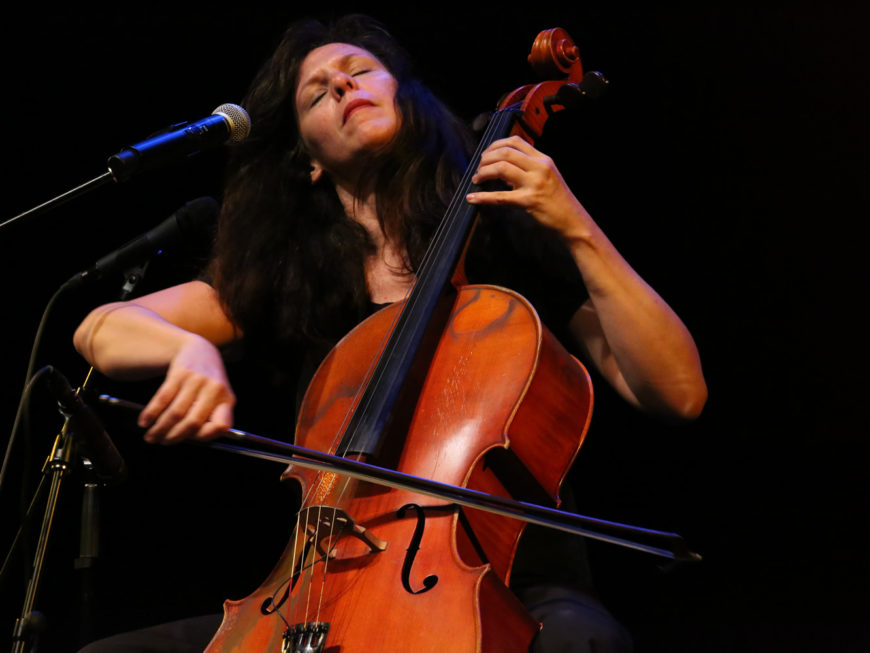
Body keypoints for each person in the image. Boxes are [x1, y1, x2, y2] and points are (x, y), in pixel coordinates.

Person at [73, 14, 706, 653]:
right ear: (308, 160)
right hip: (318, 592)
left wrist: (575, 225)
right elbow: (102, 328)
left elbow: (676, 392)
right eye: (318, 93)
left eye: (359, 72)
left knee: (582, 644)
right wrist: (189, 348)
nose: (343, 88)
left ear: (408, 96)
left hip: (514, 582)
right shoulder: (296, 277)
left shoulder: (505, 232)